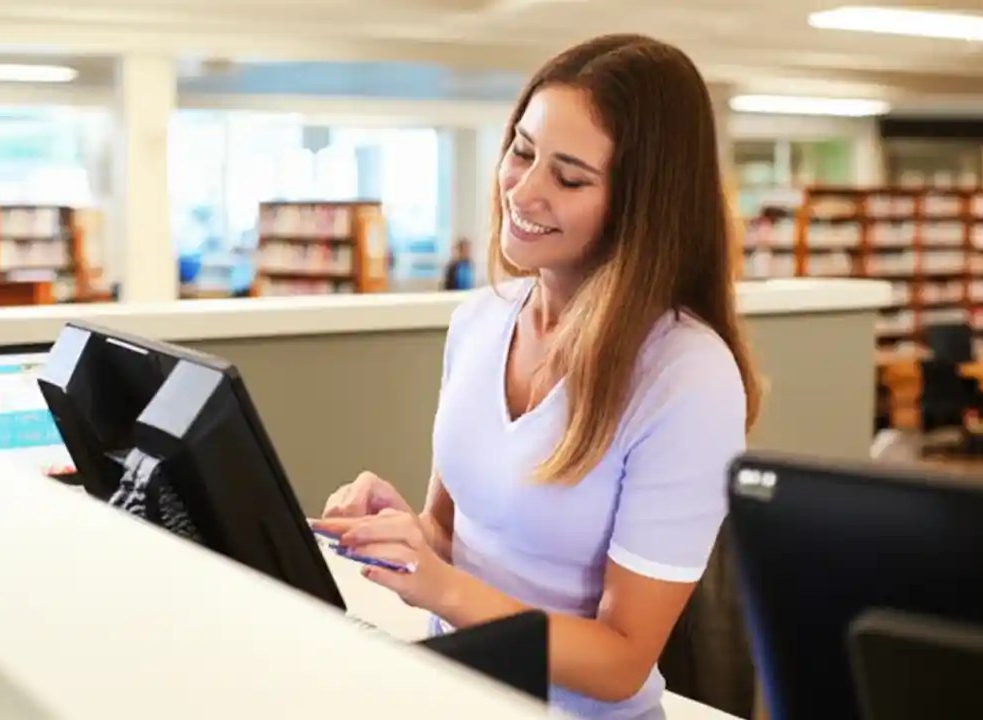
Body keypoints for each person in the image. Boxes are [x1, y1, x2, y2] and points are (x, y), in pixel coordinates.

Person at [311, 34, 762, 720]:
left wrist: (439, 588)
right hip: (456, 690)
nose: (524, 189)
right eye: (522, 151)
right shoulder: (480, 320)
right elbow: (452, 533)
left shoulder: (687, 378)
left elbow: (620, 661)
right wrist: (406, 533)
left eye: (570, 177)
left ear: (641, 206)